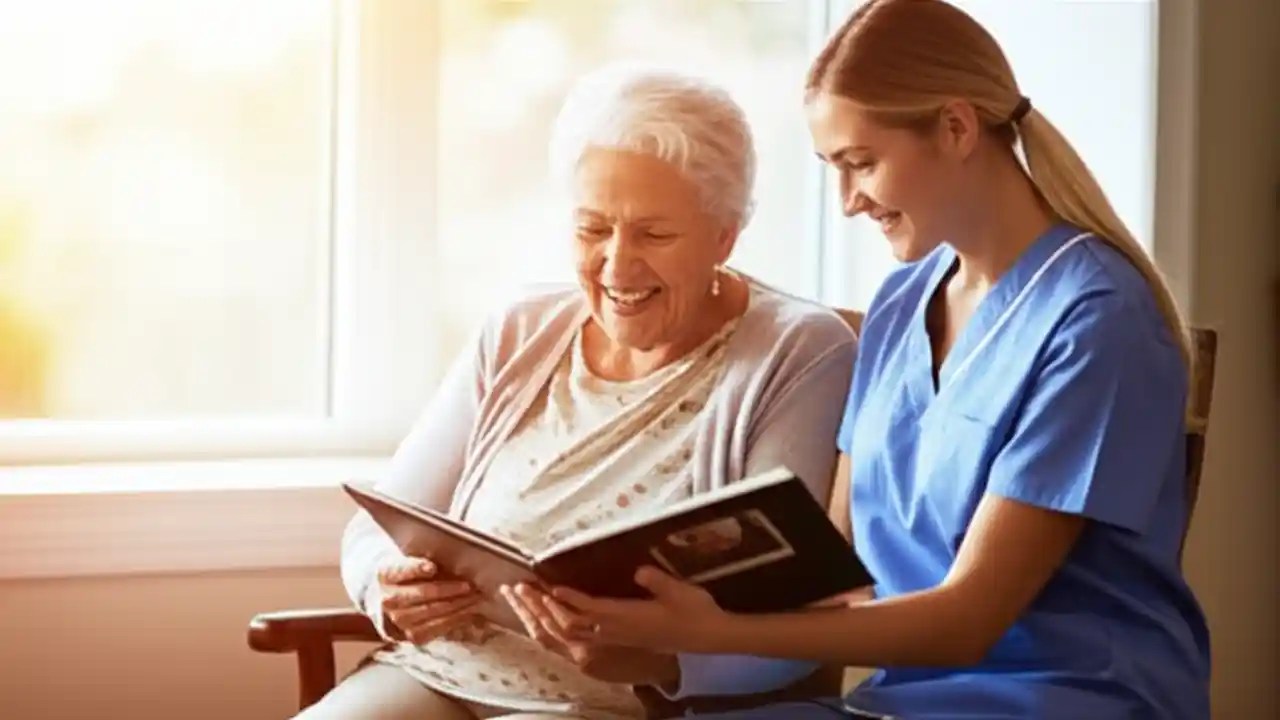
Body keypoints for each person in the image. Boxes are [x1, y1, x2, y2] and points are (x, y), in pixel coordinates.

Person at [505, 2, 1212, 718]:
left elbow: (968, 622)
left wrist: (702, 627)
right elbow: (827, 570)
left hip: (1070, 701)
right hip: (900, 706)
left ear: (957, 128)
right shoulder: (905, 303)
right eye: (833, 170)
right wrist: (653, 640)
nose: (846, 202)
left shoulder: (1097, 322)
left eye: (861, 163)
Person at [296, 64, 858, 720]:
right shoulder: (519, 330)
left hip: (608, 704)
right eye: (593, 229)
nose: (617, 265)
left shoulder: (796, 351)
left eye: (654, 233)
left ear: (723, 235)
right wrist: (385, 587)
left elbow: (793, 618)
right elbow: (377, 527)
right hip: (436, 673)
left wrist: (659, 661)